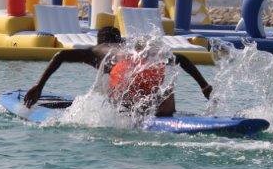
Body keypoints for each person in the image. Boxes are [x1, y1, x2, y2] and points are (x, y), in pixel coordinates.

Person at [23, 26, 212, 116]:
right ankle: (164, 112)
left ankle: (135, 112)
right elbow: (182, 59)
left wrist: (39, 85)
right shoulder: (131, 49)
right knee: (155, 95)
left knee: (112, 99)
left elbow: (61, 55)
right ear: (120, 40)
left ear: (99, 41)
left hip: (125, 70)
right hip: (152, 68)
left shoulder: (97, 50)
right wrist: (204, 86)